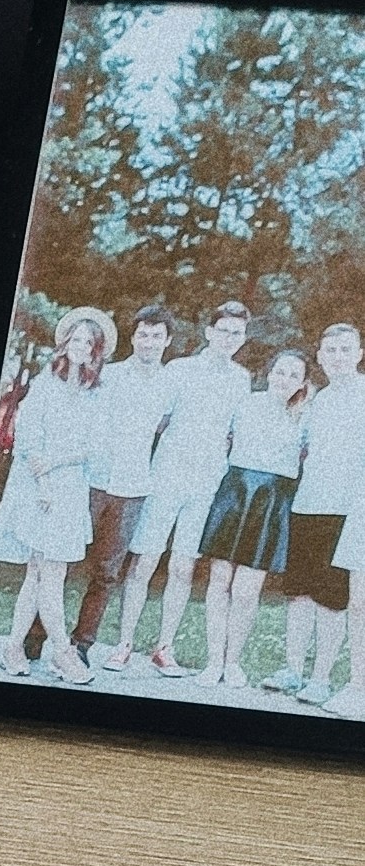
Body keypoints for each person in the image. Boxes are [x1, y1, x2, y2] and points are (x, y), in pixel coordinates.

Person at [109, 300, 256, 674]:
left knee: (182, 567)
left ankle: (164, 647)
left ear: (243, 339)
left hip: (206, 485)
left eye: (236, 333)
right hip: (166, 478)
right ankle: (123, 643)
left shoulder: (241, 379)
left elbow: (235, 433)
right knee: (145, 561)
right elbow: (156, 422)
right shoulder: (180, 370)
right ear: (208, 332)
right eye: (222, 330)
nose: (228, 338)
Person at [0, 307, 109, 682]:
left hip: (70, 487)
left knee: (41, 574)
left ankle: (12, 647)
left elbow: (95, 445)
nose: (81, 346)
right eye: (76, 339)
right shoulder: (44, 384)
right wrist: (45, 482)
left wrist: (56, 464)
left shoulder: (95, 392)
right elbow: (28, 439)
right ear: (65, 342)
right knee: (48, 573)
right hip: (36, 488)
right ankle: (64, 653)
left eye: (89, 341)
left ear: (96, 349)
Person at [71, 305, 177, 663]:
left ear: (167, 341)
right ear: (133, 337)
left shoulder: (169, 384)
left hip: (132, 491)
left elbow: (162, 426)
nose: (149, 342)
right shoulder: (109, 375)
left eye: (156, 336)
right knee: (64, 559)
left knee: (107, 572)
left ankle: (82, 643)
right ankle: (40, 637)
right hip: (93, 482)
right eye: (143, 334)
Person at [199, 346, 309, 687]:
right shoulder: (245, 403)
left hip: (272, 500)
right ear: (269, 372)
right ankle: (213, 661)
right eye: (280, 371)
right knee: (220, 582)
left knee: (246, 590)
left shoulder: (306, 416)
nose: (285, 379)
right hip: (235, 493)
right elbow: (217, 442)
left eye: (294, 374)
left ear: (303, 382)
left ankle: (233, 663)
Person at [272, 321, 365, 705]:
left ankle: (321, 678)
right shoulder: (317, 400)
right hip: (306, 505)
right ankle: (293, 671)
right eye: (331, 351)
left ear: (359, 354)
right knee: (299, 593)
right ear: (320, 357)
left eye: (346, 350)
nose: (338, 357)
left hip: (344, 513)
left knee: (332, 599)